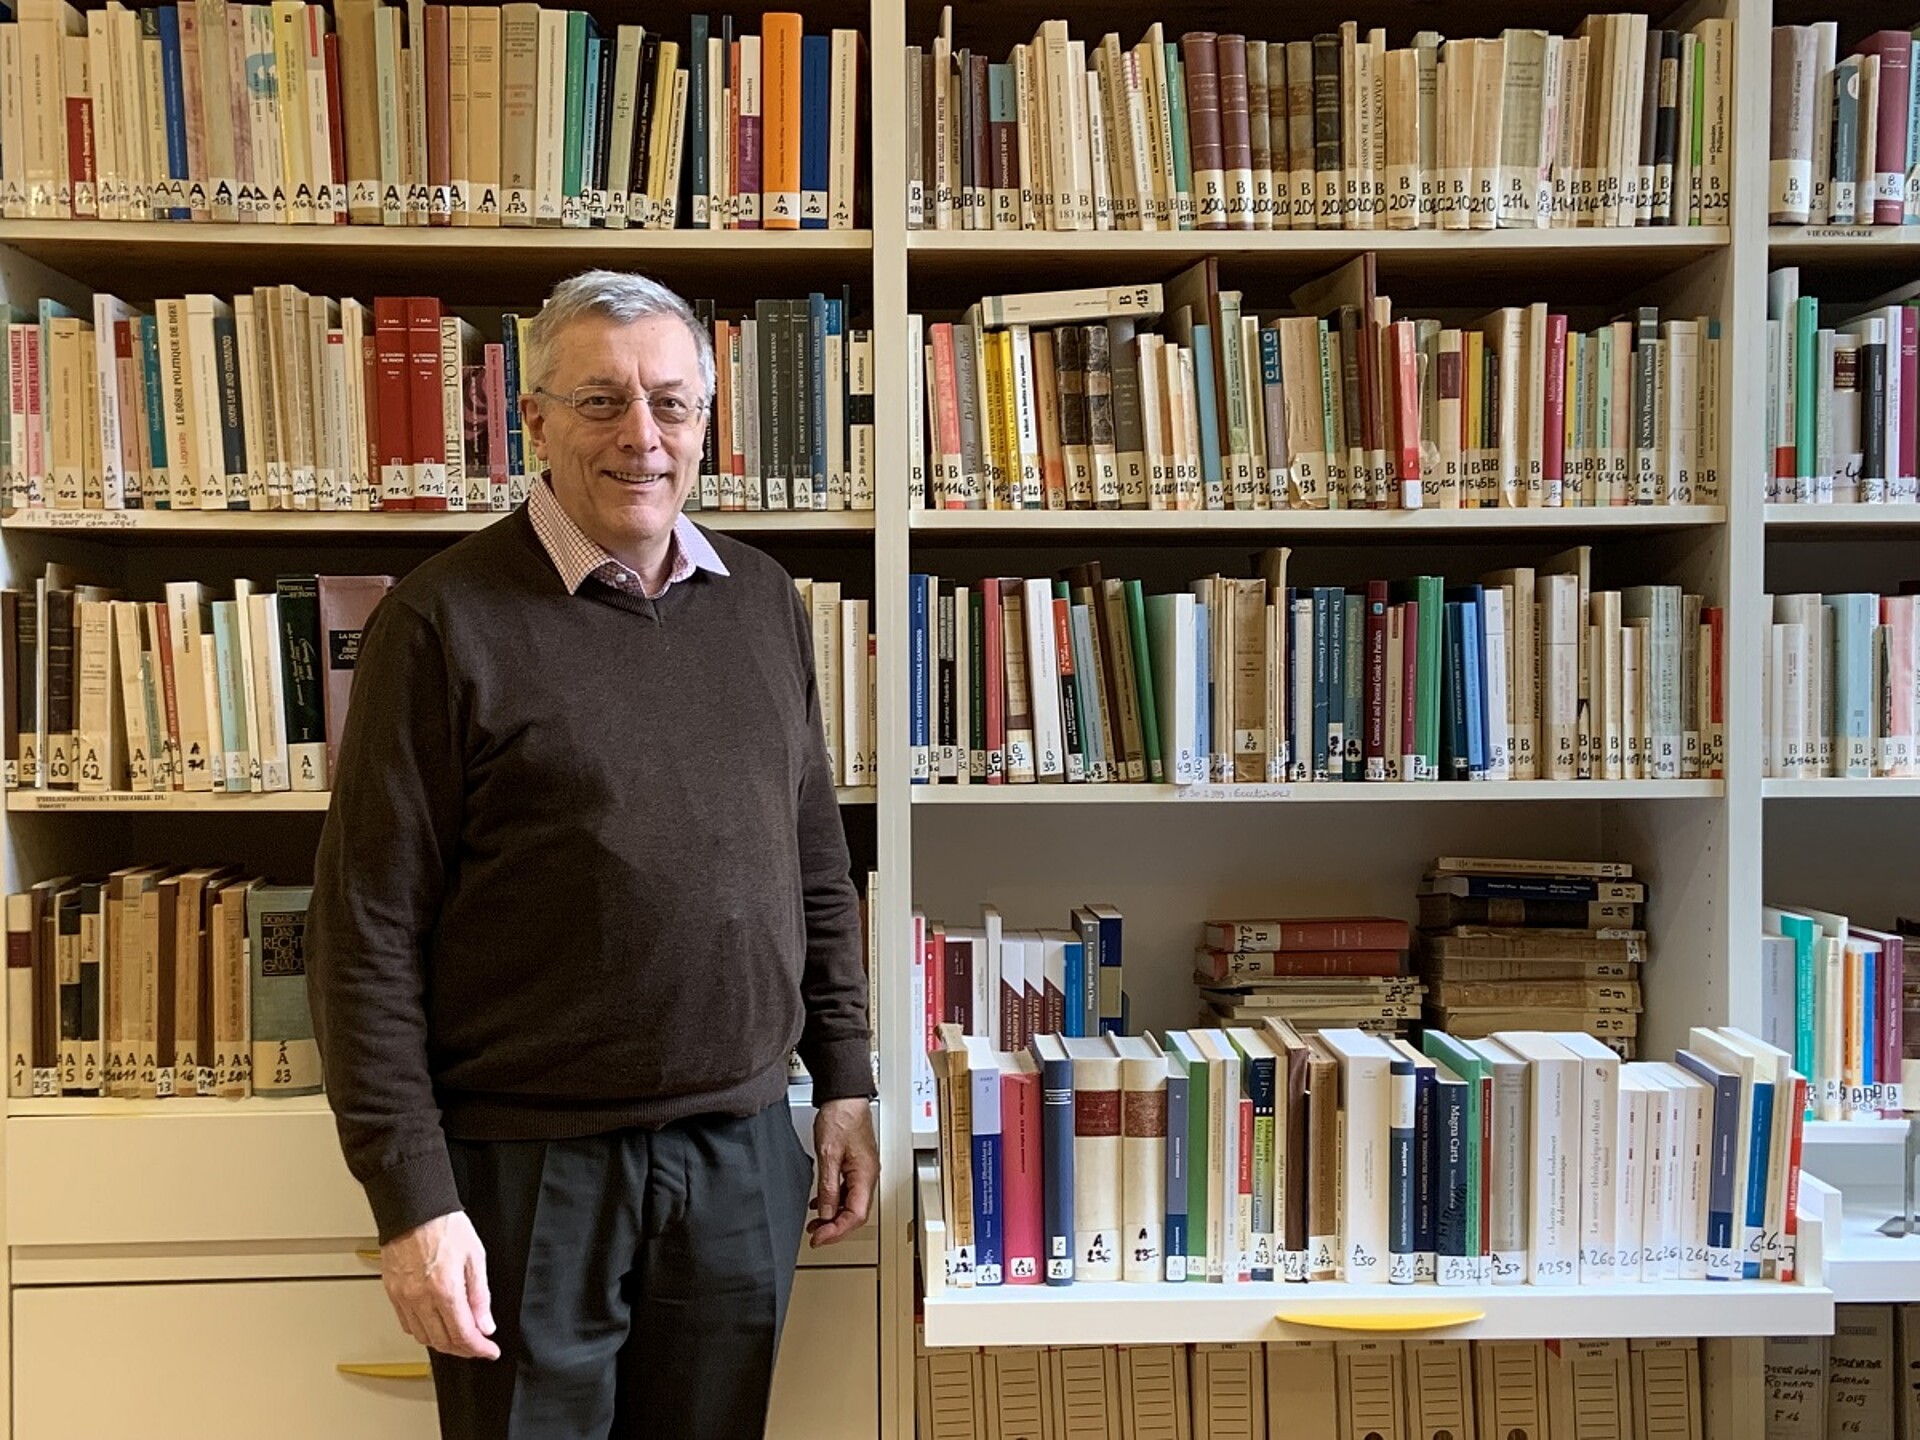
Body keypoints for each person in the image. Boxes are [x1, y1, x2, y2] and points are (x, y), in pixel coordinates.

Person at [306, 269, 879, 1440]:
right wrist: (410, 1201)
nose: (643, 437)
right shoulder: (440, 620)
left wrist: (849, 1076)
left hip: (738, 1159)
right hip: (528, 1175)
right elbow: (363, 929)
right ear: (536, 422)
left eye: (671, 405)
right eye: (602, 403)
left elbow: (812, 861)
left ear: (706, 423)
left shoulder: (762, 600)